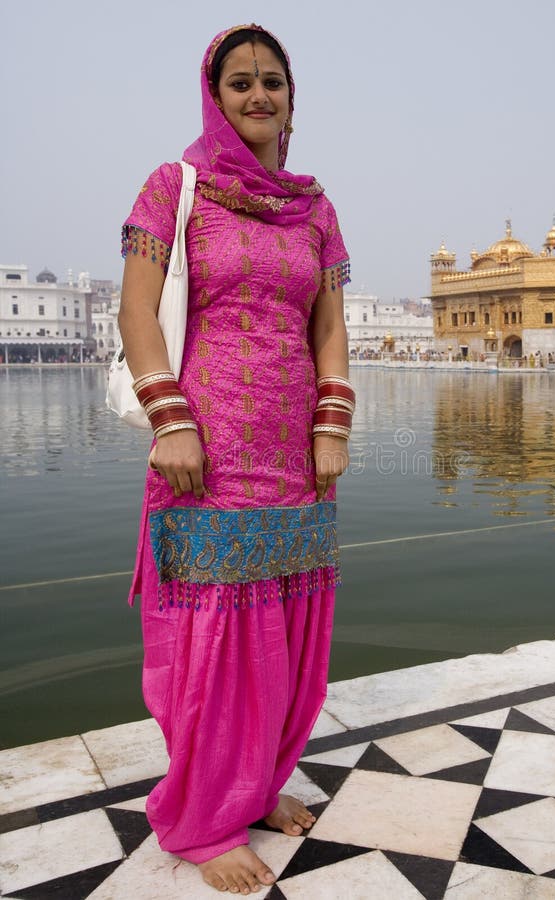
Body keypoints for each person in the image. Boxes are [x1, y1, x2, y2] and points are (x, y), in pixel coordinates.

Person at [118, 24, 352, 894]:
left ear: (293, 98)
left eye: (273, 83)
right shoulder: (171, 188)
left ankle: (256, 787)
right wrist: (169, 418)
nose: (259, 96)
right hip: (202, 453)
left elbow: (326, 329)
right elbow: (138, 312)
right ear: (213, 97)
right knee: (214, 637)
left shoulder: (315, 208)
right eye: (240, 83)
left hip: (296, 456)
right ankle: (203, 818)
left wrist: (331, 428)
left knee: (285, 636)